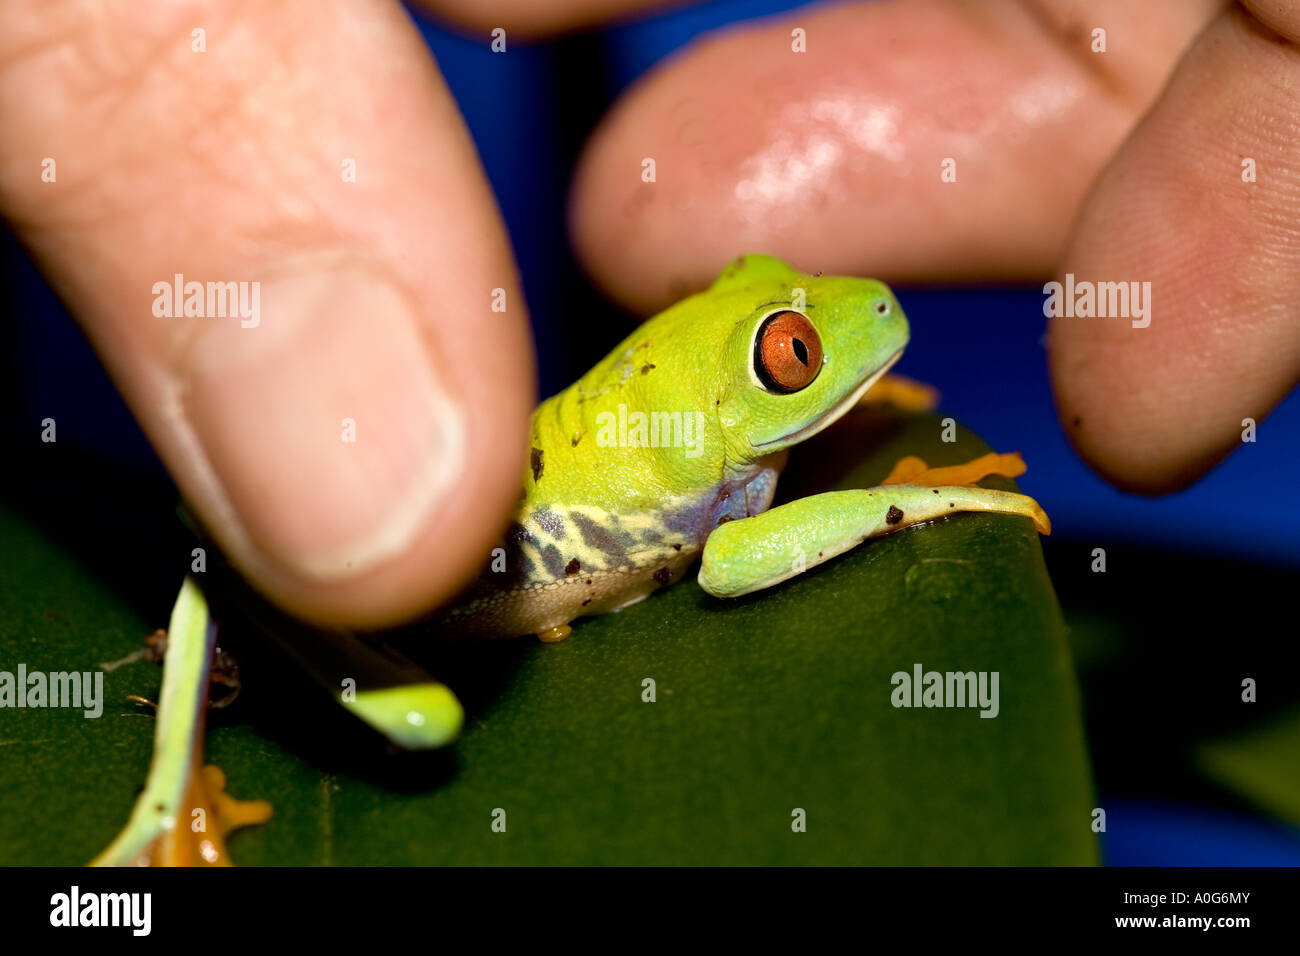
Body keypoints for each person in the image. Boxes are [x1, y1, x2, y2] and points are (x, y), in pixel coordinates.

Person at [2, 0, 1294, 628]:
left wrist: (823, 416)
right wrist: (913, 496)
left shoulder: (737, 441)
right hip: (443, 598)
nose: (813, 335)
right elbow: (729, 563)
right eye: (790, 349)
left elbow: (731, 517)